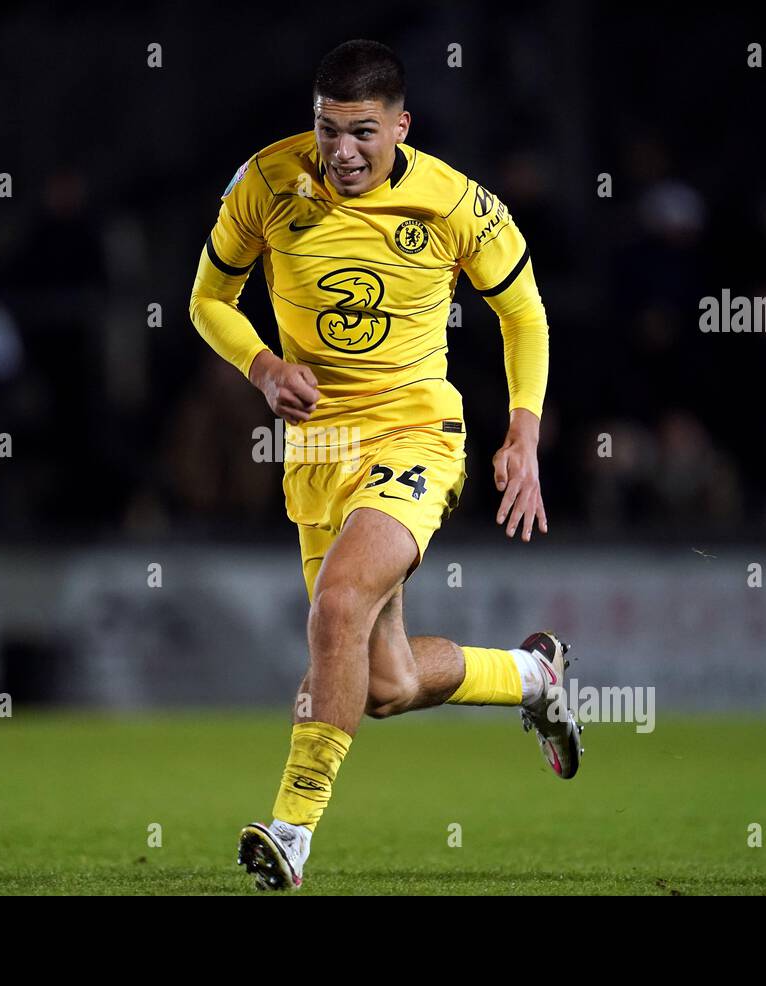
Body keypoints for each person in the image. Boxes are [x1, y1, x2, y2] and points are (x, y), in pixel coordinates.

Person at [189, 39, 583, 892]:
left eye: (363, 132)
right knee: (385, 684)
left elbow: (525, 314)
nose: (341, 152)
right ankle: (532, 676)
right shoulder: (265, 182)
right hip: (317, 451)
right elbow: (207, 301)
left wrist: (523, 433)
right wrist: (262, 366)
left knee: (337, 608)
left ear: (402, 126)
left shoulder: (455, 203)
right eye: (328, 130)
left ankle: (291, 831)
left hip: (415, 435)